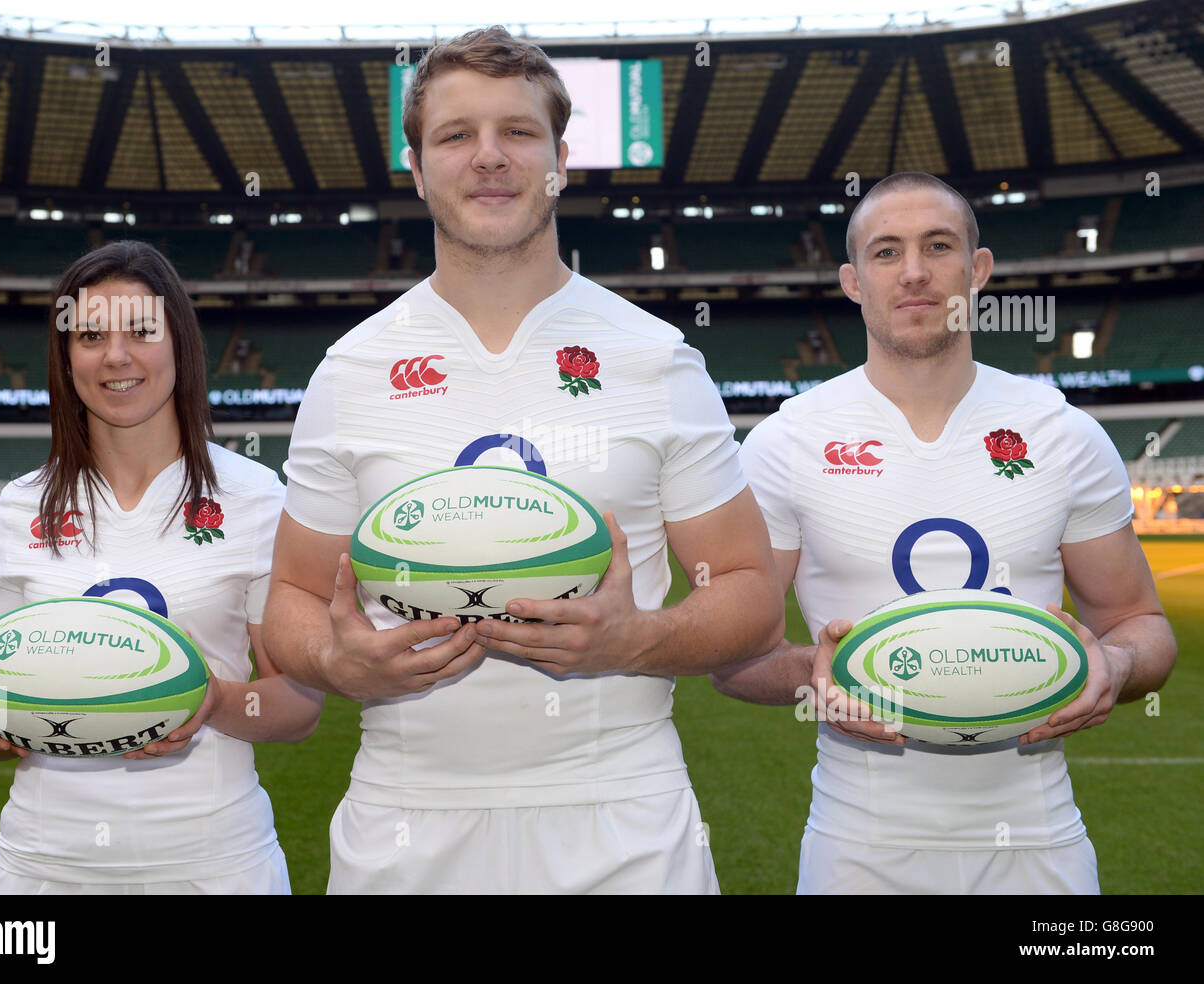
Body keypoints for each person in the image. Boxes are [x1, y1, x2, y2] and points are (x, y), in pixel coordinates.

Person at [263, 26, 783, 894]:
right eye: (456, 135)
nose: (489, 157)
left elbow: (751, 595)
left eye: (518, 132)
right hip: (405, 818)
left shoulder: (655, 358)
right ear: (417, 167)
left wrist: (638, 638)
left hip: (620, 816)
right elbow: (291, 596)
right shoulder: (351, 371)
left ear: (560, 159)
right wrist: (336, 661)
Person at [712, 172, 1177, 894]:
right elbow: (733, 659)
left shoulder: (1063, 434)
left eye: (939, 246)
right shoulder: (785, 444)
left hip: (1039, 841)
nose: (916, 272)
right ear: (853, 280)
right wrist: (814, 673)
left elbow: (1141, 624)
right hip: (858, 847)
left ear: (978, 270)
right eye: (887, 252)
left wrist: (1113, 669)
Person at [0, 241, 323, 894]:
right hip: (44, 871)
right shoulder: (14, 513)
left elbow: (298, 706)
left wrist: (212, 700)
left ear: (179, 343)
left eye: (141, 331)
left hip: (215, 865)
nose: (116, 356)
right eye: (91, 335)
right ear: (66, 356)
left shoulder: (256, 498)